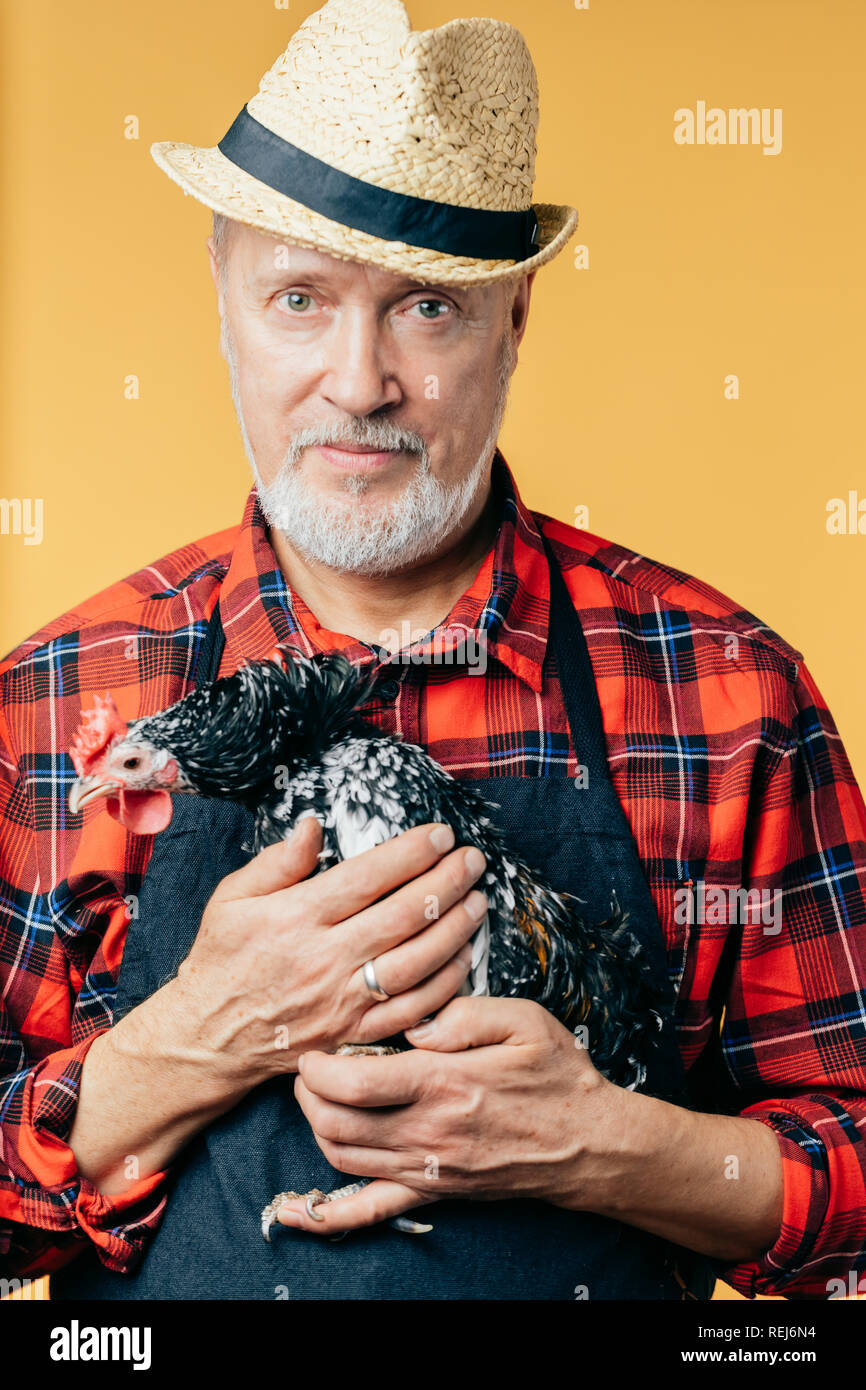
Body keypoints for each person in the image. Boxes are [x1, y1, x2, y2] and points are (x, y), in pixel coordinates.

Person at [2, 0, 865, 1301]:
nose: (359, 381)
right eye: (299, 297)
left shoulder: (727, 693)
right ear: (222, 299)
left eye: (427, 308)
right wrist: (182, 1046)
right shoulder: (53, 696)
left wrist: (610, 1148)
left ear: (514, 320)